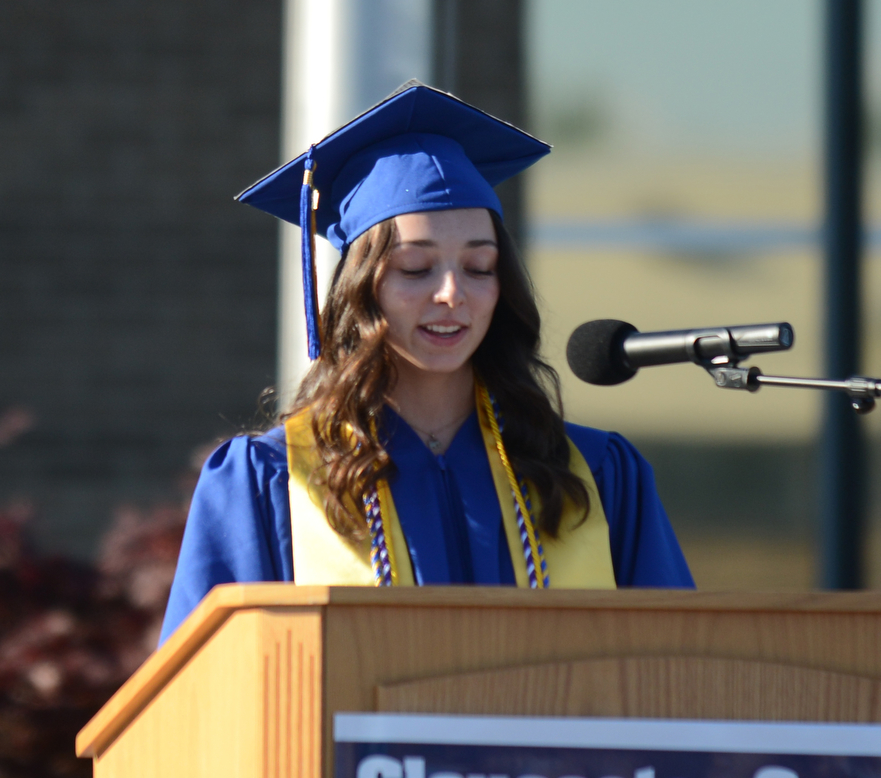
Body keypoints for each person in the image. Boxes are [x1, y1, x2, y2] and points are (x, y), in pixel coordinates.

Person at [159, 83, 692, 642]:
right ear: (360, 291)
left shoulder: (594, 473)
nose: (452, 294)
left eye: (480, 267)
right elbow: (201, 697)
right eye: (416, 269)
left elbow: (679, 670)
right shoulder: (272, 482)